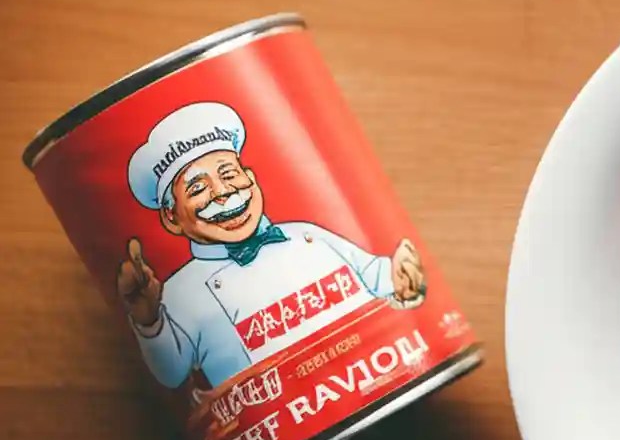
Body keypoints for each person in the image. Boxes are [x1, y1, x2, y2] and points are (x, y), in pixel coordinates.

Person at [121, 102, 426, 390]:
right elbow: (172, 374)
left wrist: (401, 277)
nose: (223, 193)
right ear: (172, 218)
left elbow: (374, 275)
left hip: (379, 373)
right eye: (198, 188)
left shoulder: (307, 235)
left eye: (229, 174)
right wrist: (148, 321)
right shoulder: (180, 292)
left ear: (251, 179)